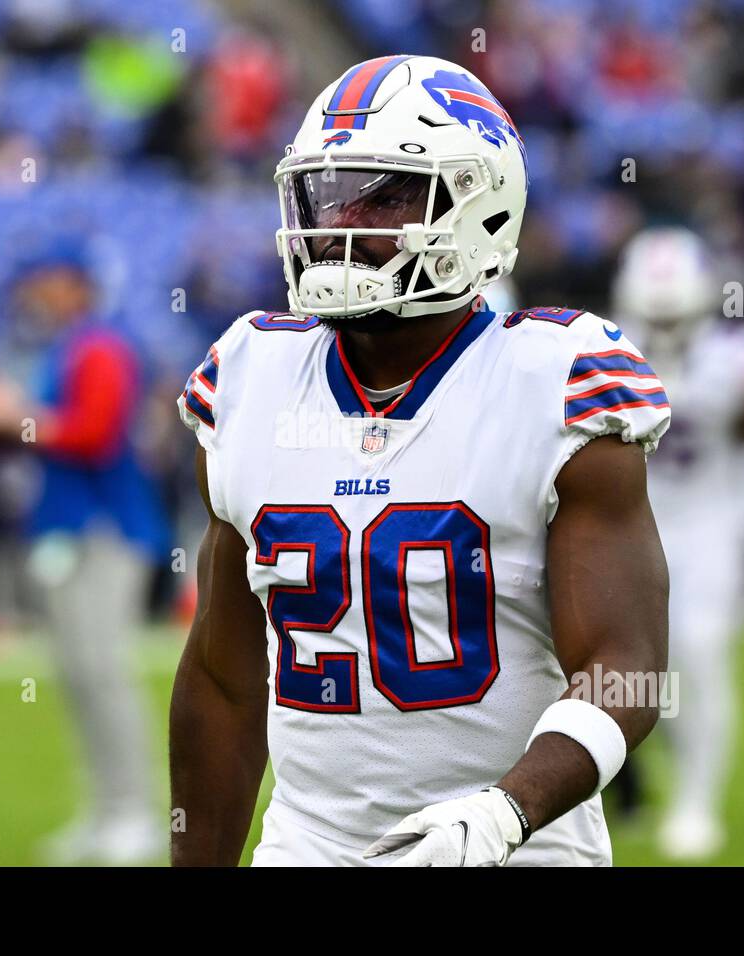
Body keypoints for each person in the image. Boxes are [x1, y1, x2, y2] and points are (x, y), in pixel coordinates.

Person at [170, 56, 671, 867]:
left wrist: (505, 813)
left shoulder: (557, 380)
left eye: (385, 195)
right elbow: (226, 680)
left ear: (480, 202)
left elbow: (626, 672)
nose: (339, 224)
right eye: (327, 194)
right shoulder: (248, 377)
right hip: (309, 847)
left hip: (520, 847)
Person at [0, 241, 169, 864]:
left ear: (77, 284)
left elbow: (92, 432)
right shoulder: (66, 347)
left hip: (103, 530)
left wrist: (13, 418)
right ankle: (106, 809)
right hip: (67, 529)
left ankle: (136, 812)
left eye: (49, 279)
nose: (36, 291)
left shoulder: (99, 346)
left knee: (104, 674)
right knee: (79, 676)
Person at [612, 227, 744, 859]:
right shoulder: (604, 345)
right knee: (625, 674)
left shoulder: (741, 353)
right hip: (630, 525)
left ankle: (697, 803)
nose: (667, 329)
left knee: (701, 654)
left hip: (714, 521)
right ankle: (637, 786)